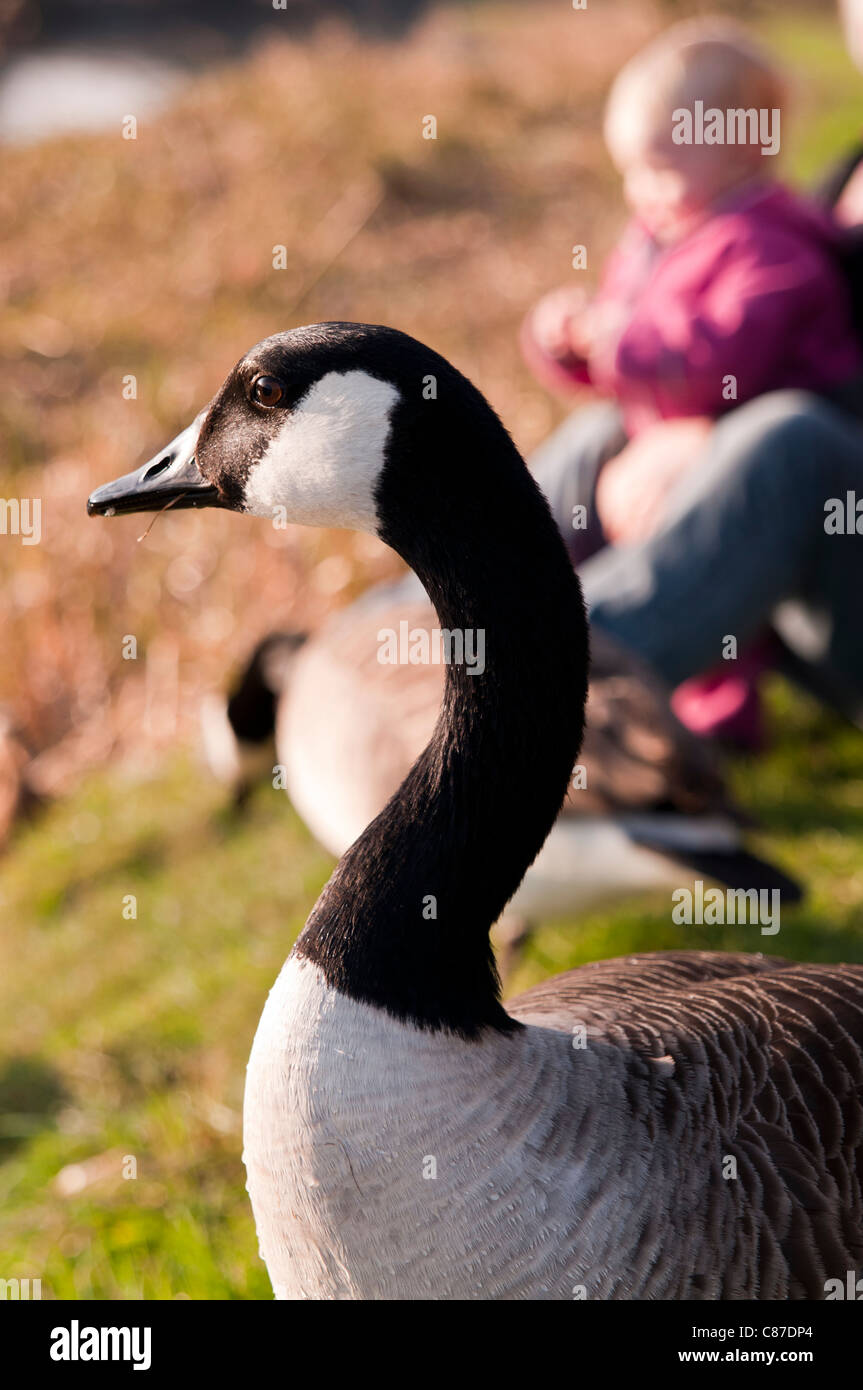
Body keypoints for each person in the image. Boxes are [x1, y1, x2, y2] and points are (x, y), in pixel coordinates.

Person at [524, 19, 863, 743]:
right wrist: (582, 346)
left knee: (786, 440)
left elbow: (741, 354)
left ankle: (527, 688)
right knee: (600, 435)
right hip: (806, 557)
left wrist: (715, 435)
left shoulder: (771, 241)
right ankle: (416, 626)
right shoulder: (829, 187)